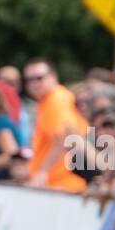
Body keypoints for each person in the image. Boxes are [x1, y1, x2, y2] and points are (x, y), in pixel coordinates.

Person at [23, 58, 87, 192]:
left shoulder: (56, 99)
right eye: (29, 80)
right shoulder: (45, 101)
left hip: (65, 183)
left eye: (39, 78)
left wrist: (42, 173)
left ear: (53, 77)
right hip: (55, 183)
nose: (34, 83)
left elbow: (63, 138)